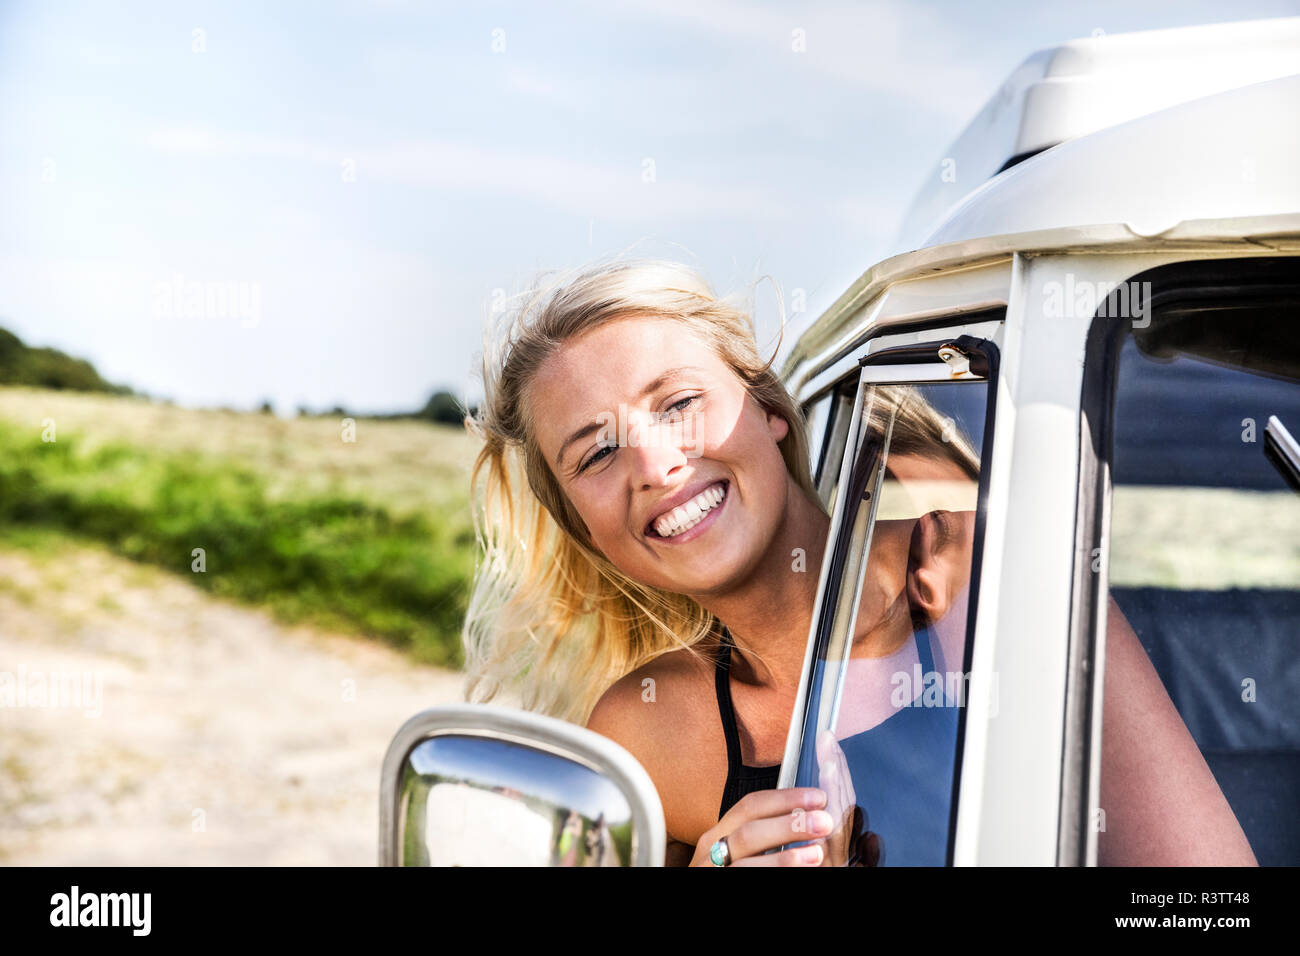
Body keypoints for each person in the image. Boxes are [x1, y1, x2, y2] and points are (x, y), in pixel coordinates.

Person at [463, 256, 1257, 867]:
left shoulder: (970, 572)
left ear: (768, 411)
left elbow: (1204, 901)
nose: (655, 464)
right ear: (587, 529)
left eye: (678, 403)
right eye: (597, 452)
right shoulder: (648, 727)